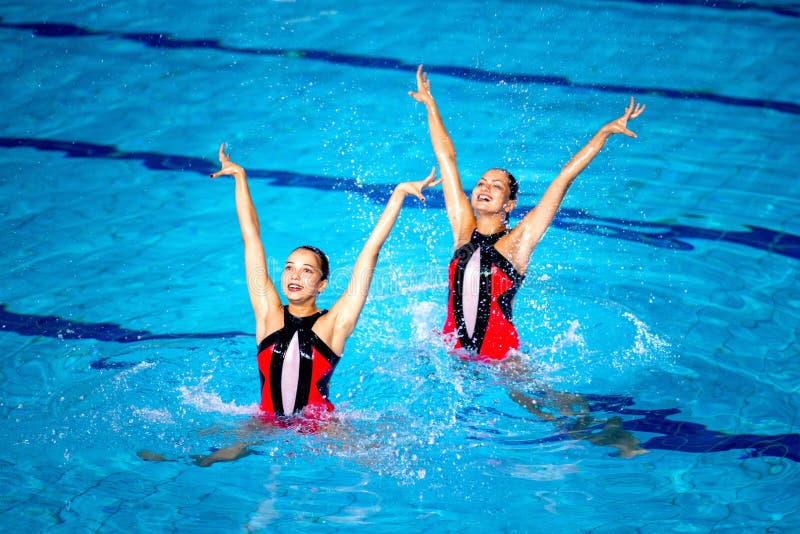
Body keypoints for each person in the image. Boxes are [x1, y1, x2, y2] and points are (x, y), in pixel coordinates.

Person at [409, 65, 645, 361]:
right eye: (482, 182)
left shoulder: (518, 241)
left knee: (544, 406)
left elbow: (563, 179)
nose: (485, 187)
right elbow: (447, 159)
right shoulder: (462, 228)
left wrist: (604, 133)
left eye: (496, 187)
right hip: (451, 352)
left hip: (501, 359)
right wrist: (431, 105)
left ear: (509, 205)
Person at [210, 143, 440, 419]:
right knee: (204, 458)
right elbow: (251, 237)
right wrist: (240, 177)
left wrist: (399, 194)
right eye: (289, 268)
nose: (295, 275)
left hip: (320, 431)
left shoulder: (335, 324)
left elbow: (370, 252)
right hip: (265, 423)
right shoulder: (267, 312)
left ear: (322, 285)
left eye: (307, 271)